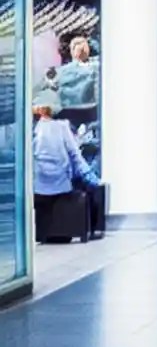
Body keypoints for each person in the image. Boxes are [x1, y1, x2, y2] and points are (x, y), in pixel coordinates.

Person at [32, 90, 102, 241]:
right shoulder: (62, 127)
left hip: (37, 189)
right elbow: (76, 157)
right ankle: (91, 230)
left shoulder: (32, 129)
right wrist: (94, 180)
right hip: (60, 186)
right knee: (87, 185)